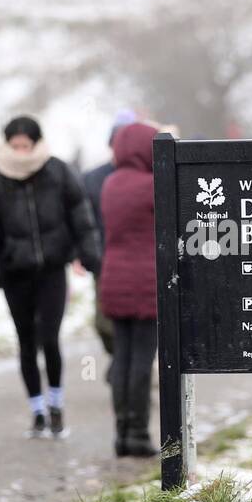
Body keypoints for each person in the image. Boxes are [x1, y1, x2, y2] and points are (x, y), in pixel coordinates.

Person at [0, 116, 101, 439]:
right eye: (14, 146)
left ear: (35, 143)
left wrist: (88, 252)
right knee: (26, 341)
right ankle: (36, 410)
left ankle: (56, 404)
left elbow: (80, 213)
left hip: (51, 269)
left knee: (50, 338)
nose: (20, 152)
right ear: (6, 145)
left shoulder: (57, 170)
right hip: (14, 271)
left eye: (25, 145)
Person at [98, 121, 161, 457]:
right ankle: (138, 432)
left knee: (121, 357)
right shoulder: (152, 185)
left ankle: (121, 433)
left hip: (113, 279)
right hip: (145, 282)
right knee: (141, 360)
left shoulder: (110, 183)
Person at [82, 111, 135, 357]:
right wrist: (81, 254)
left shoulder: (150, 175)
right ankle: (120, 360)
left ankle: (129, 369)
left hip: (139, 260)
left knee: (137, 322)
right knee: (104, 323)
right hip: (104, 260)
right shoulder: (93, 178)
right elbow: (83, 218)